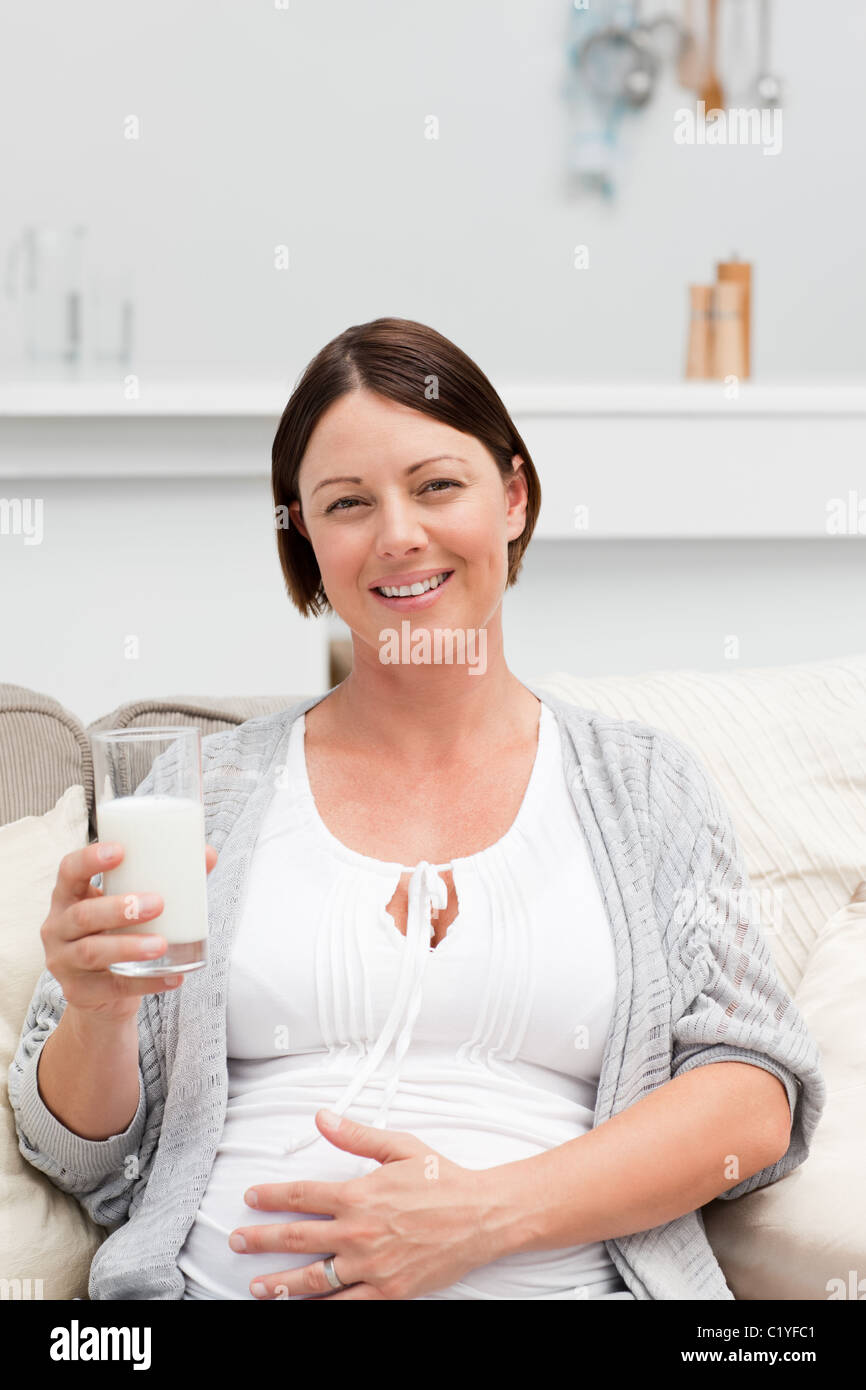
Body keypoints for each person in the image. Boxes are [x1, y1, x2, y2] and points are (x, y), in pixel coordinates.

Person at [10, 317, 826, 1300]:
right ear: (303, 534)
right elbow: (84, 1160)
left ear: (512, 497)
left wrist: (478, 1216)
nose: (398, 533)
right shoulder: (193, 792)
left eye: (437, 485)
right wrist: (96, 1014)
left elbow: (749, 1101)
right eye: (347, 502)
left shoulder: (645, 785)